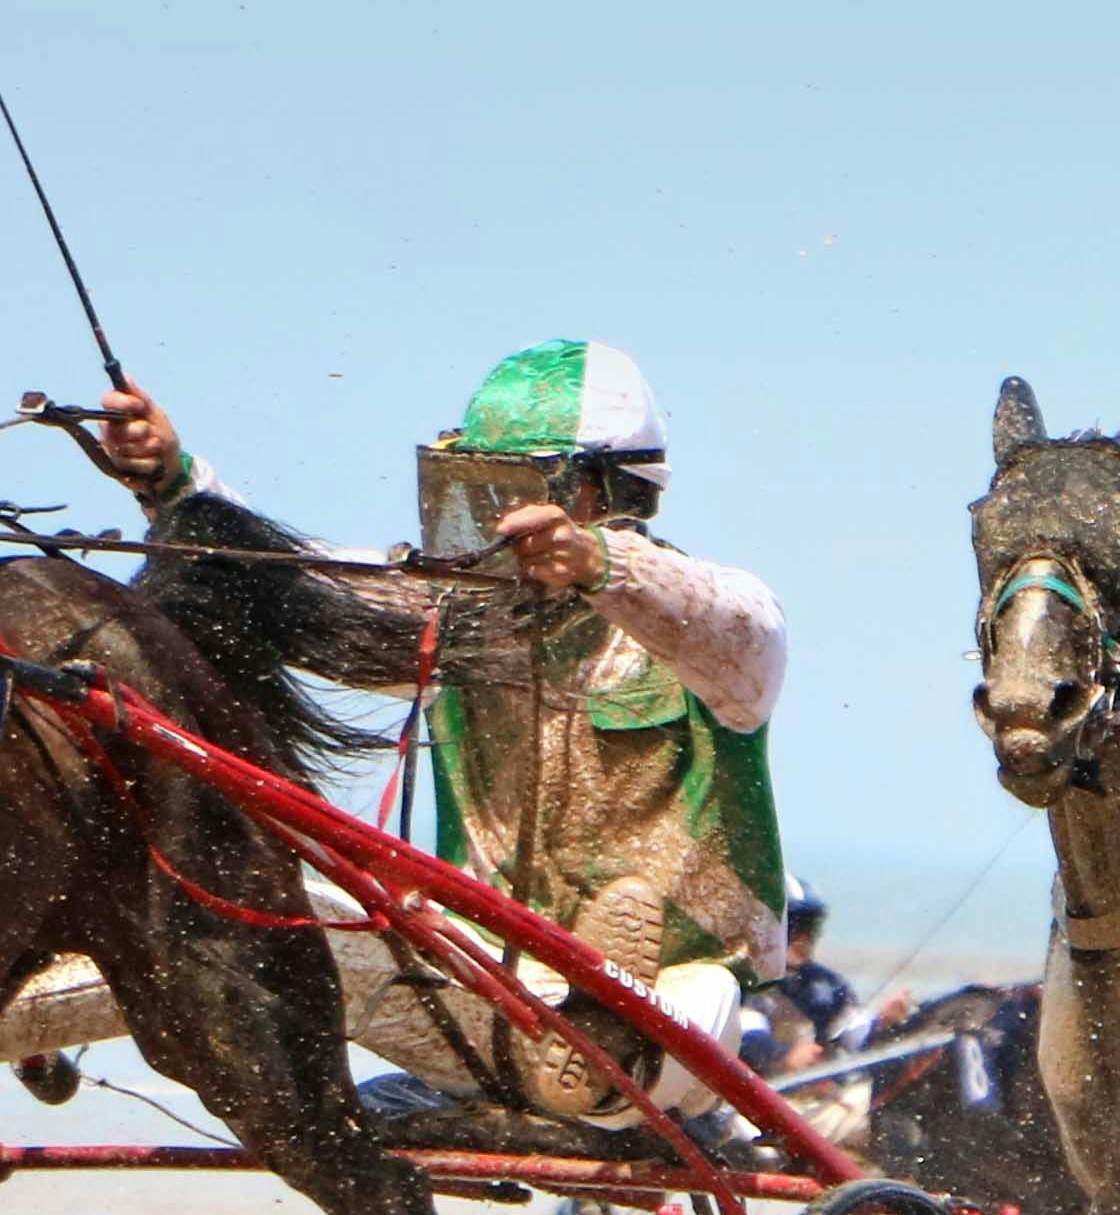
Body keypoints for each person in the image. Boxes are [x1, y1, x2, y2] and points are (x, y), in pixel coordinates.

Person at [84, 343, 794, 1115]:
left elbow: (723, 614)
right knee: (283, 913)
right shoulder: (453, 620)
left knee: (694, 1000)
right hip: (484, 972)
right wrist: (174, 482)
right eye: (477, 485)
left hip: (684, 995)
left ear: (596, 490)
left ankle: (602, 1048)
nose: (495, 514)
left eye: (515, 486)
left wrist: (594, 561)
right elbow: (294, 580)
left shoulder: (723, 636)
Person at [745, 887, 859, 1070]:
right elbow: (747, 1037)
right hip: (760, 1089)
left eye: (811, 928)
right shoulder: (746, 983)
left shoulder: (827, 984)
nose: (804, 939)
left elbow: (854, 1030)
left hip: (819, 1090)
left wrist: (884, 1022)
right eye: (795, 927)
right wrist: (785, 1055)